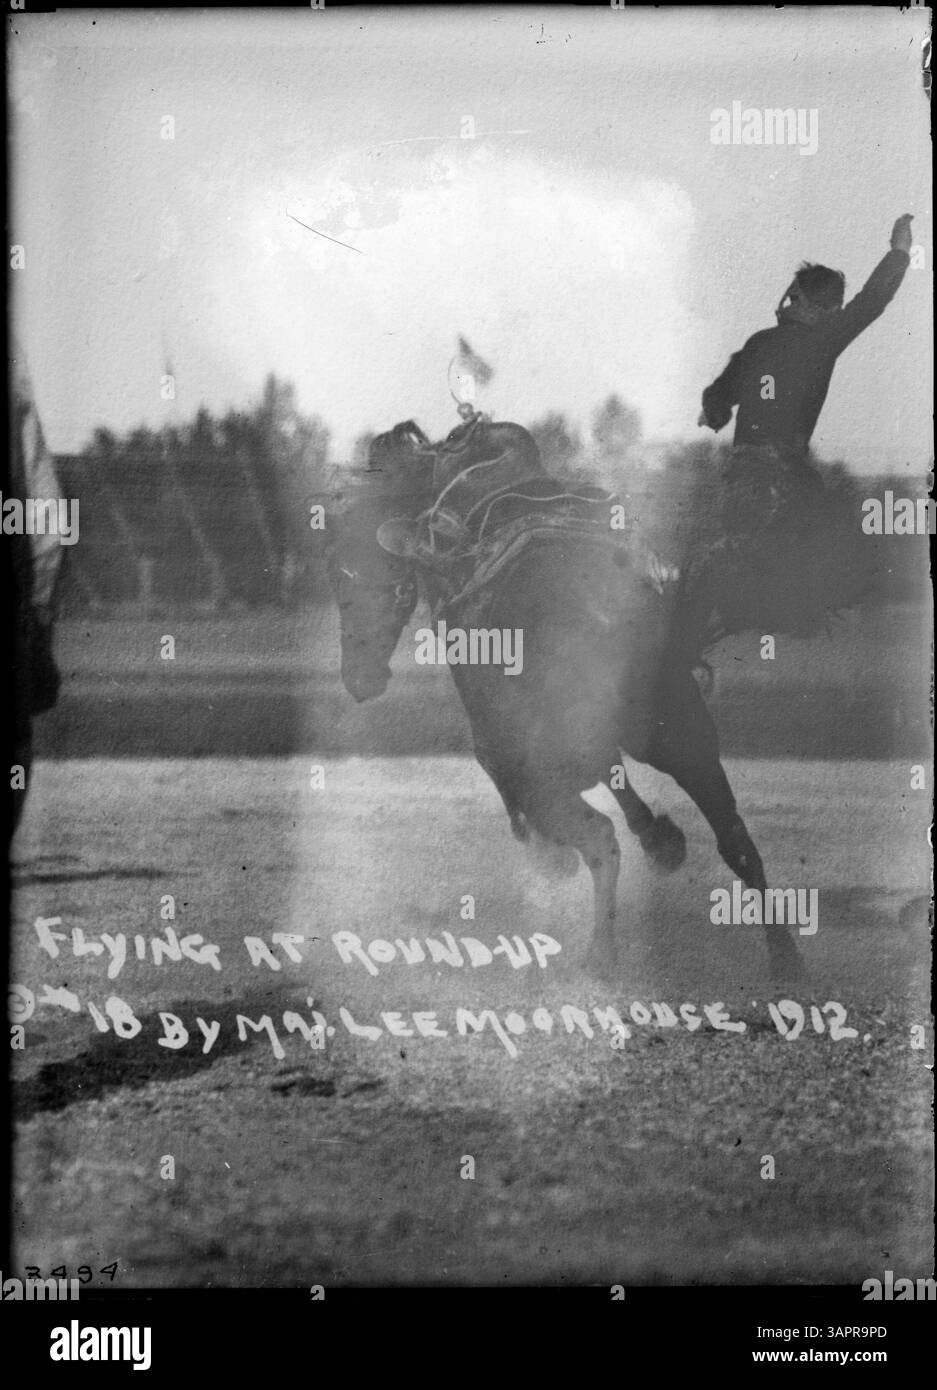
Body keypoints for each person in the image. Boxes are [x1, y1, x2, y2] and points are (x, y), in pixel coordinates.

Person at [682, 215, 913, 645]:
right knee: (835, 557)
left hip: (743, 479)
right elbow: (873, 301)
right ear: (825, 310)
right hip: (784, 479)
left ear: (797, 300)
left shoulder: (758, 344)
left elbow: (719, 394)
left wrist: (713, 416)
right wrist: (899, 252)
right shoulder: (823, 339)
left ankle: (714, 605)